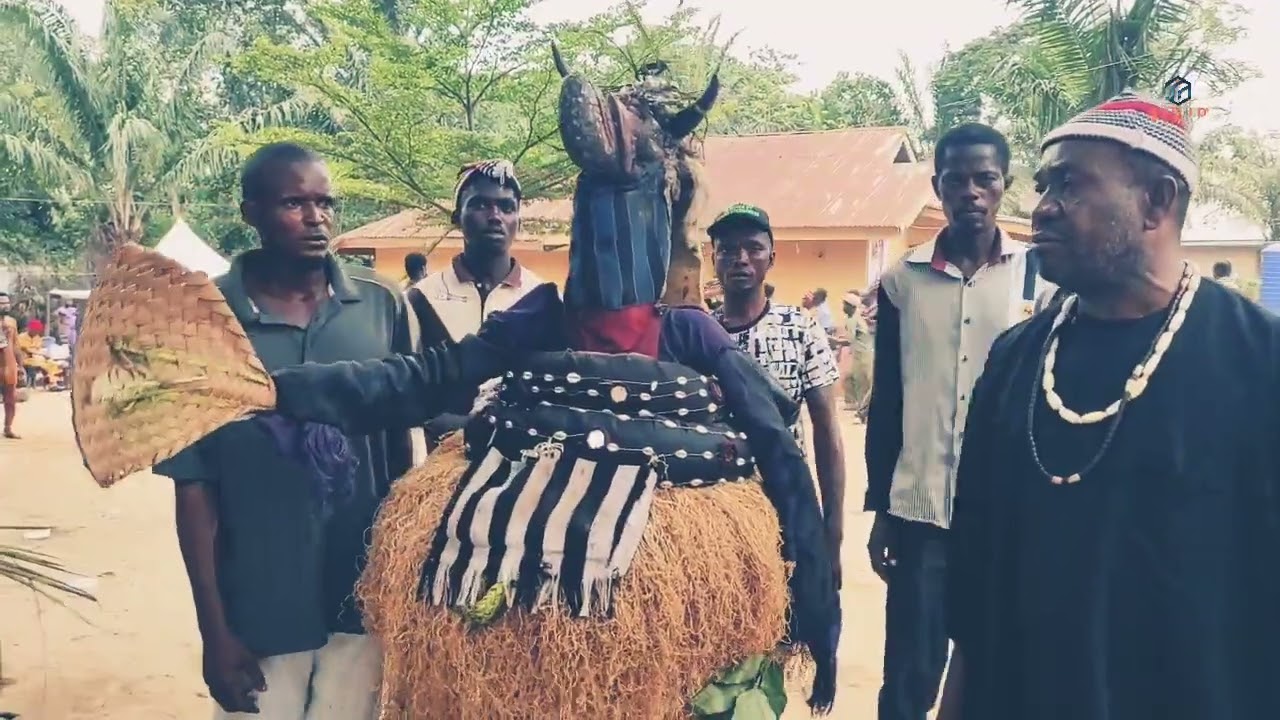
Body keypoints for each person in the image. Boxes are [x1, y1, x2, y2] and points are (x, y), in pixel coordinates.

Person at [940, 92, 1280, 720]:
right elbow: (976, 590)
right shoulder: (1015, 361)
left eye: (1069, 183)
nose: (1042, 208)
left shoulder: (1259, 364)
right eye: (1044, 185)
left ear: (1157, 201)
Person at [152, 142, 415, 720]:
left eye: (325, 202)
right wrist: (214, 633)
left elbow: (398, 457)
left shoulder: (379, 306)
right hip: (258, 608)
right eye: (295, 203)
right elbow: (193, 485)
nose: (316, 218)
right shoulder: (204, 317)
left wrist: (399, 589)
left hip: (361, 599)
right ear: (251, 213)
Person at [865, 122, 1053, 720]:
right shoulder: (904, 281)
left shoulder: (1040, 280)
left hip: (1006, 515)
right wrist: (882, 513)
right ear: (936, 186)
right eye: (955, 180)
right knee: (908, 678)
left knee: (997, 671)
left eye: (985, 179)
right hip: (922, 515)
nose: (970, 191)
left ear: (1005, 185)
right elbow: (888, 402)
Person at [708, 203, 847, 585]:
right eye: (727, 249)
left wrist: (832, 529)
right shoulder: (698, 334)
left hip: (788, 502)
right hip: (718, 510)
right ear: (713, 259)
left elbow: (827, 433)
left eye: (753, 247)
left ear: (772, 256)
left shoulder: (800, 328)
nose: (740, 259)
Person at [403, 160, 544, 451]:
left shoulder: (542, 299)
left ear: (519, 219)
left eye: (507, 207)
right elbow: (405, 390)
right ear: (457, 217)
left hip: (518, 463)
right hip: (433, 468)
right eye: (481, 205)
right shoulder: (420, 299)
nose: (495, 217)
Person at [839, 290, 873, 421]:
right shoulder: (852, 318)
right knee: (859, 383)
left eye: (845, 304)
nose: (843, 307)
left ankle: (863, 412)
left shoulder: (854, 319)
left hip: (864, 355)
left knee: (864, 383)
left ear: (851, 306)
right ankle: (862, 411)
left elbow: (849, 340)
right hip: (860, 354)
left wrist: (832, 341)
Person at [18, 318, 62, 389]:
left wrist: (43, 354)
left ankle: (53, 383)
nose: (36, 332)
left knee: (52, 363)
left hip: (37, 358)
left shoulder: (37, 338)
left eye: (37, 330)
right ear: (30, 329)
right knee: (44, 364)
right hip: (26, 359)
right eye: (35, 330)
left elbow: (38, 349)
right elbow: (26, 349)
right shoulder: (21, 337)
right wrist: (40, 354)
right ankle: (51, 383)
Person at [0, 292, 19, 438]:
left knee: (10, 400)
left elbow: (16, 345)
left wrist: (21, 364)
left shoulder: (12, 322)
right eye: (1, 303)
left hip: (9, 366)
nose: (4, 305)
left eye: (6, 302)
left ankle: (8, 427)